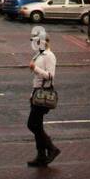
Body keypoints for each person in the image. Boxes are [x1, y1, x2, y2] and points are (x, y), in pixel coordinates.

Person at [26, 25, 60, 167]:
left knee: (32, 125)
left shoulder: (50, 56)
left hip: (43, 94)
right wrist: (31, 94)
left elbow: (50, 76)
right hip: (37, 93)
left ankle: (52, 148)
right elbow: (36, 79)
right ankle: (41, 156)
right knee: (37, 125)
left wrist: (35, 68)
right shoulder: (39, 54)